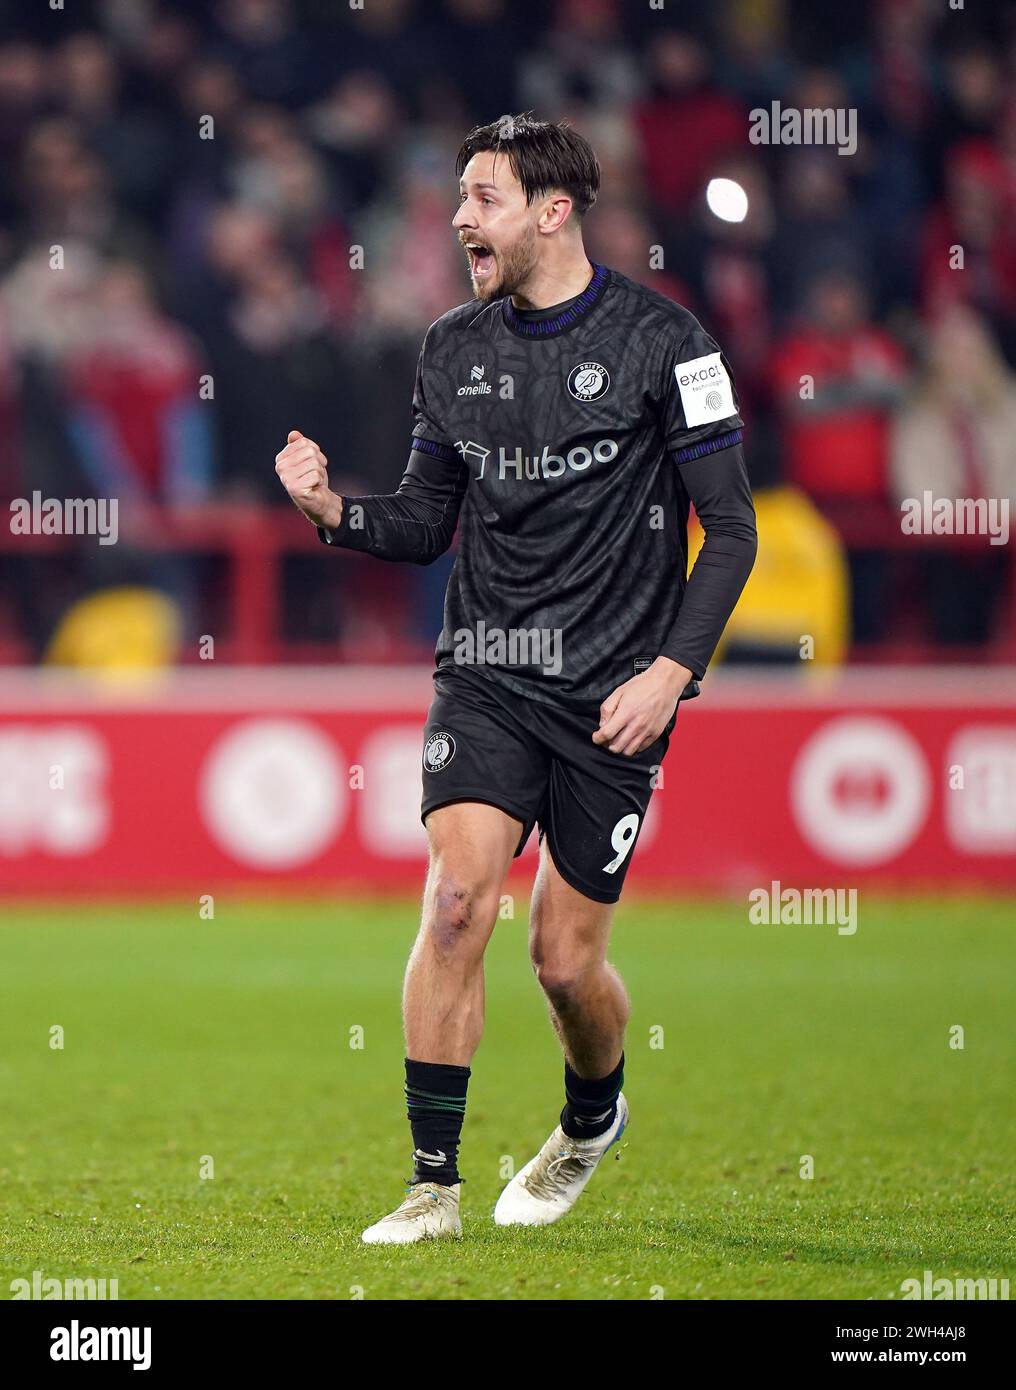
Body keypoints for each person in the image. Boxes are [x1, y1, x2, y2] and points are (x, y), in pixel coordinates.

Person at [275, 114, 757, 1243]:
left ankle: (592, 1116)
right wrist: (333, 512)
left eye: (481, 197)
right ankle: (431, 1186)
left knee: (561, 961)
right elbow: (424, 521)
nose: (456, 218)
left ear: (552, 211)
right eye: (457, 197)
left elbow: (728, 529)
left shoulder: (668, 342)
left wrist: (671, 671)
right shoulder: (450, 347)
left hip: (613, 699)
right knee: (454, 902)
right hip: (486, 673)